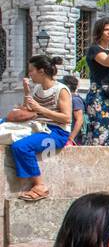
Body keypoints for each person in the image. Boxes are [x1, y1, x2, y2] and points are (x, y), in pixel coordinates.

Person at [7, 55, 72, 202]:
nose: (29, 74)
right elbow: (30, 108)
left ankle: (40, 186)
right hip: (39, 127)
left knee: (21, 147)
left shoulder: (61, 90)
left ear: (41, 71)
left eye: (31, 71)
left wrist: (40, 109)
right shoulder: (37, 88)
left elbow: (67, 118)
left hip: (57, 133)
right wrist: (26, 91)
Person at [66, 75, 86, 146]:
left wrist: (71, 138)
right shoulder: (69, 99)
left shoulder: (75, 100)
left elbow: (79, 120)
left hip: (74, 140)